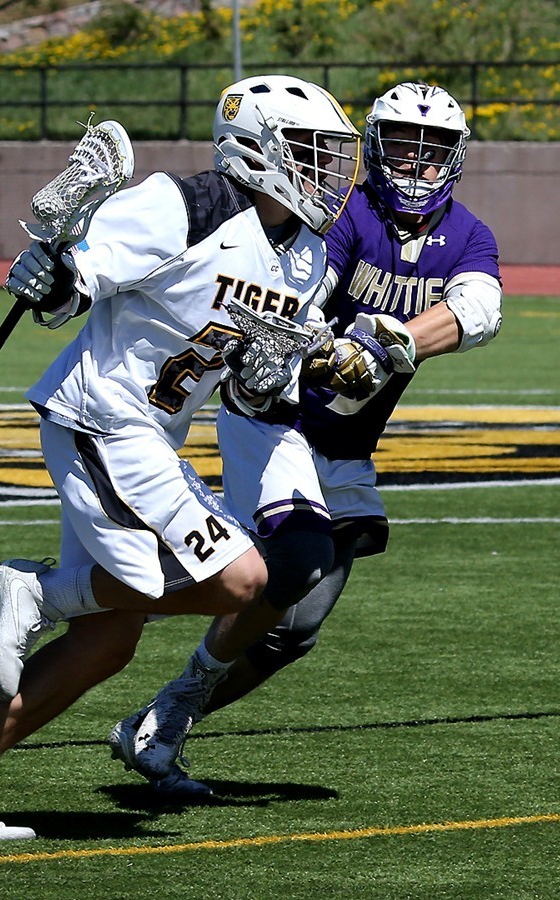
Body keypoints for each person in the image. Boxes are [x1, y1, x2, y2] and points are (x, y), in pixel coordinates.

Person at [0, 73, 362, 841]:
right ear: (260, 150)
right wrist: (50, 280)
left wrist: (280, 371)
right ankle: (42, 592)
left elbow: (255, 390)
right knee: (243, 579)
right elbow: (78, 282)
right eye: (312, 153)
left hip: (148, 433)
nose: (329, 173)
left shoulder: (310, 258)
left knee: (109, 640)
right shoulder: (185, 204)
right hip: (104, 418)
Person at [108, 81, 504, 796]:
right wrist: (327, 345)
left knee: (297, 628)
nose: (416, 165)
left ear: (457, 157)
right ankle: (115, 636)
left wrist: (394, 343)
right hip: (275, 420)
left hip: (347, 448)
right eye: (404, 147)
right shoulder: (345, 212)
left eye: (433, 150)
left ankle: (170, 710)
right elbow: (294, 298)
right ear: (376, 148)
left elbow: (479, 308)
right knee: (268, 572)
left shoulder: (468, 234)